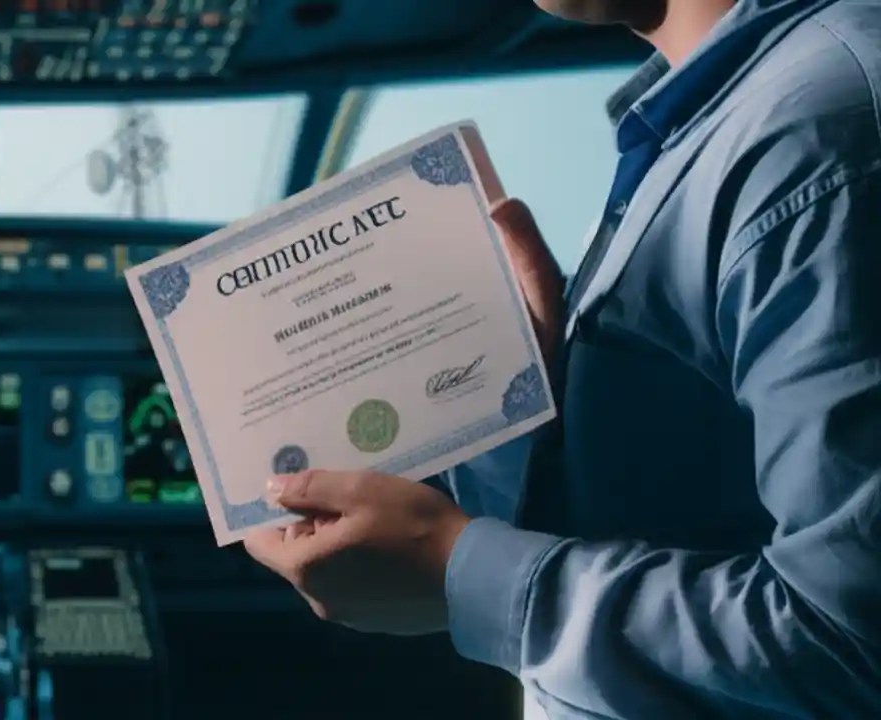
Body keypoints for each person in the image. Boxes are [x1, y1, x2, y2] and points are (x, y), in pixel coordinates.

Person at [242, 0, 881, 717]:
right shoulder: (719, 126)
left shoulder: (818, 132)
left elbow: (849, 648)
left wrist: (456, 570)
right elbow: (692, 515)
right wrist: (547, 404)